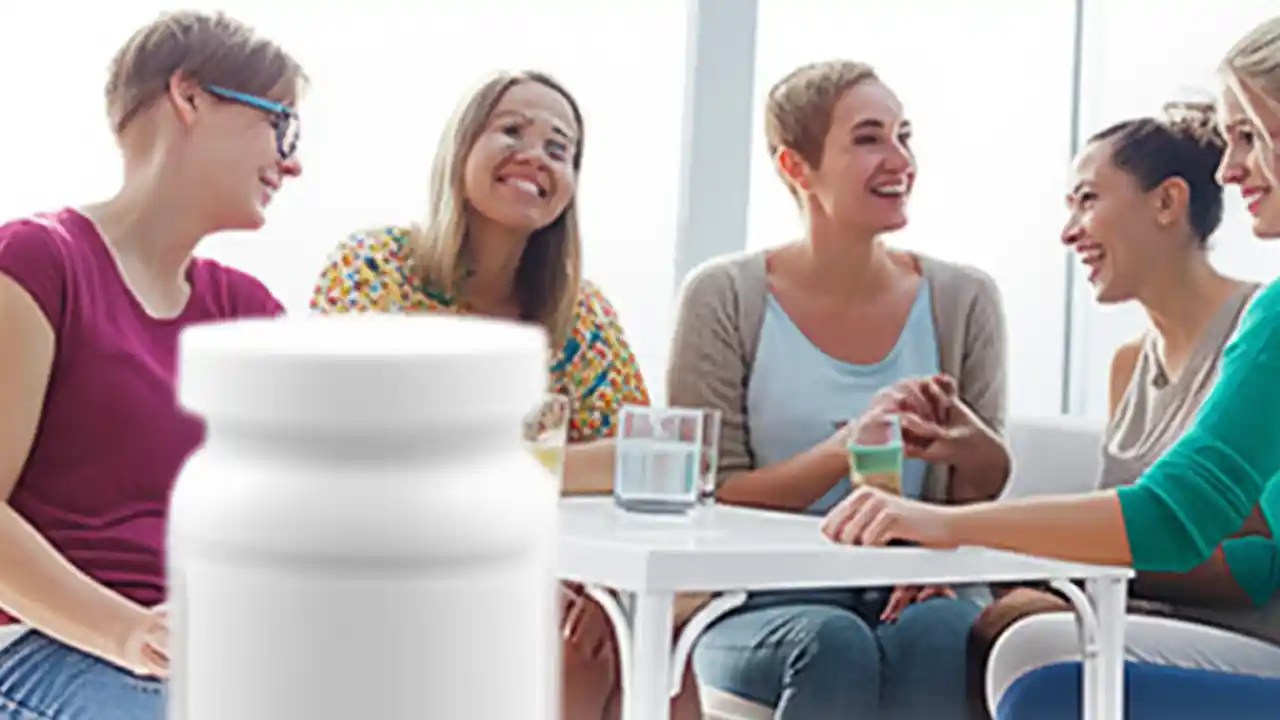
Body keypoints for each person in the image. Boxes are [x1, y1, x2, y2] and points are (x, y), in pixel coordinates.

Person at [821, 16, 1280, 719]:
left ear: (1168, 203)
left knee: (1038, 664)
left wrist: (958, 530)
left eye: (1249, 133)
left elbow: (1179, 519)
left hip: (1247, 637)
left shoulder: (1262, 322)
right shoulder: (1145, 359)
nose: (1230, 165)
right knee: (1010, 639)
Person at [309, 70, 701, 720]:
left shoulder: (581, 315)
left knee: (648, 650)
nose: (535, 156)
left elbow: (646, 458)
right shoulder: (375, 268)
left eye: (559, 148)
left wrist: (601, 585)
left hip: (534, 563)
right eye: (512, 130)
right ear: (462, 147)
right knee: (565, 647)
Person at [666, 59, 1012, 719]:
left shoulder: (964, 298)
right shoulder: (725, 297)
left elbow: (980, 492)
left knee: (943, 635)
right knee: (832, 643)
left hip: (917, 585)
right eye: (868, 138)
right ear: (796, 167)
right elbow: (709, 493)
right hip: (758, 599)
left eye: (904, 136)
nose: (900, 160)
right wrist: (845, 448)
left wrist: (965, 449)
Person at [0, 11, 303, 719]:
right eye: (280, 125)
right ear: (189, 96)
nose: (293, 164)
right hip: (49, 649)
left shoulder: (248, 312)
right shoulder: (38, 265)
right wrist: (131, 634)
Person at [965, 106, 1279, 720]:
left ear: (1167, 203)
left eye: (1087, 200)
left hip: (1251, 631)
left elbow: (1255, 564)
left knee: (1026, 636)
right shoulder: (1129, 365)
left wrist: (1043, 554)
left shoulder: (1258, 341)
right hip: (1154, 617)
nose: (1069, 232)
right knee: (976, 621)